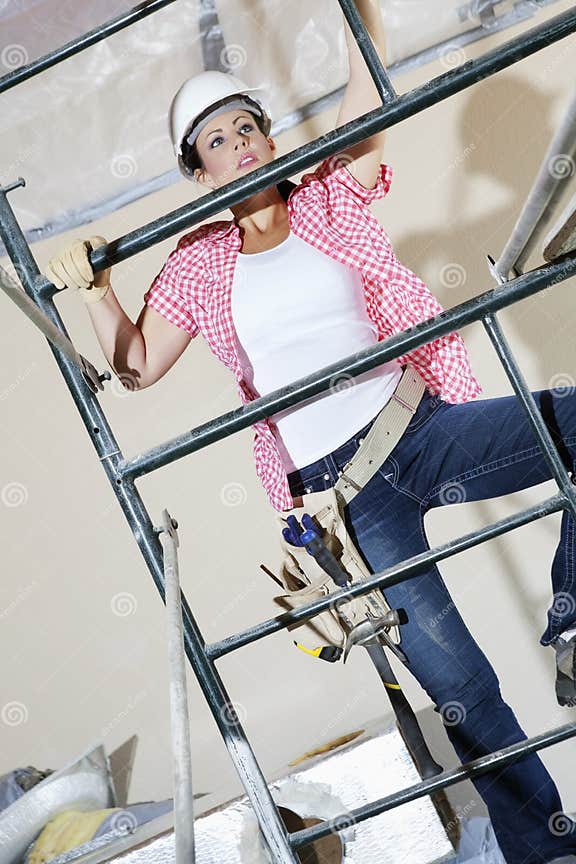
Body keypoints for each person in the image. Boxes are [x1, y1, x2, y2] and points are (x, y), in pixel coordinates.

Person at [43, 4, 576, 862]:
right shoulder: (195, 262)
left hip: (417, 428)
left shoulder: (328, 189)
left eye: (248, 126)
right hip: (342, 498)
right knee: (464, 693)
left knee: (575, 422)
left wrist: (358, 6)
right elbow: (136, 367)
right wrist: (94, 286)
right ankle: (548, 847)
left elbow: (367, 96)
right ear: (196, 171)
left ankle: (573, 619)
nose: (241, 143)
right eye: (216, 140)